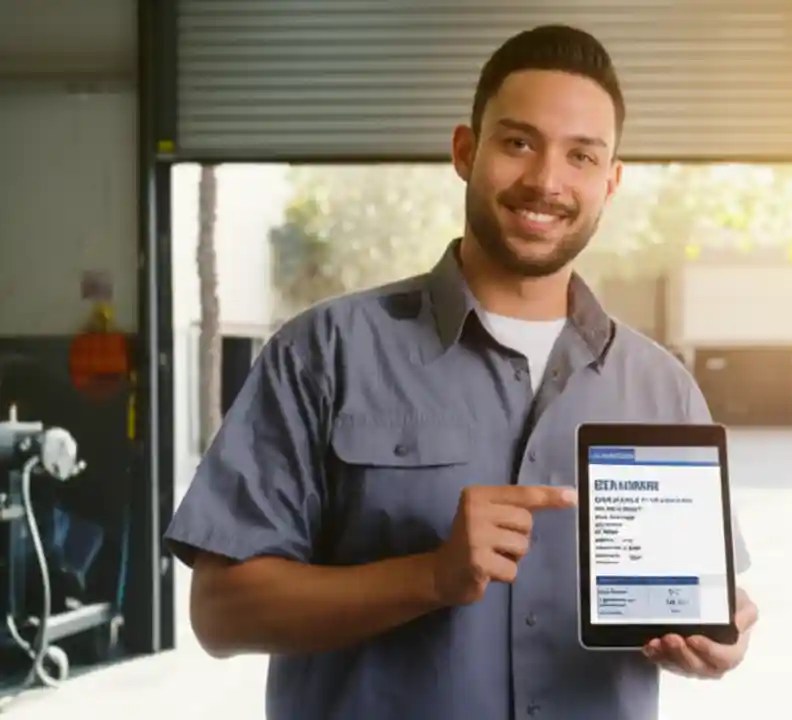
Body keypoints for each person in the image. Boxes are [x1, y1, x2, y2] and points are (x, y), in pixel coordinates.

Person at [164, 23, 757, 720]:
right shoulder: (323, 352)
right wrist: (430, 577)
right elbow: (221, 612)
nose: (546, 181)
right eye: (518, 143)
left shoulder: (661, 387)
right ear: (465, 151)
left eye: (581, 156)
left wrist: (723, 637)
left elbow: (705, 599)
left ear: (611, 180)